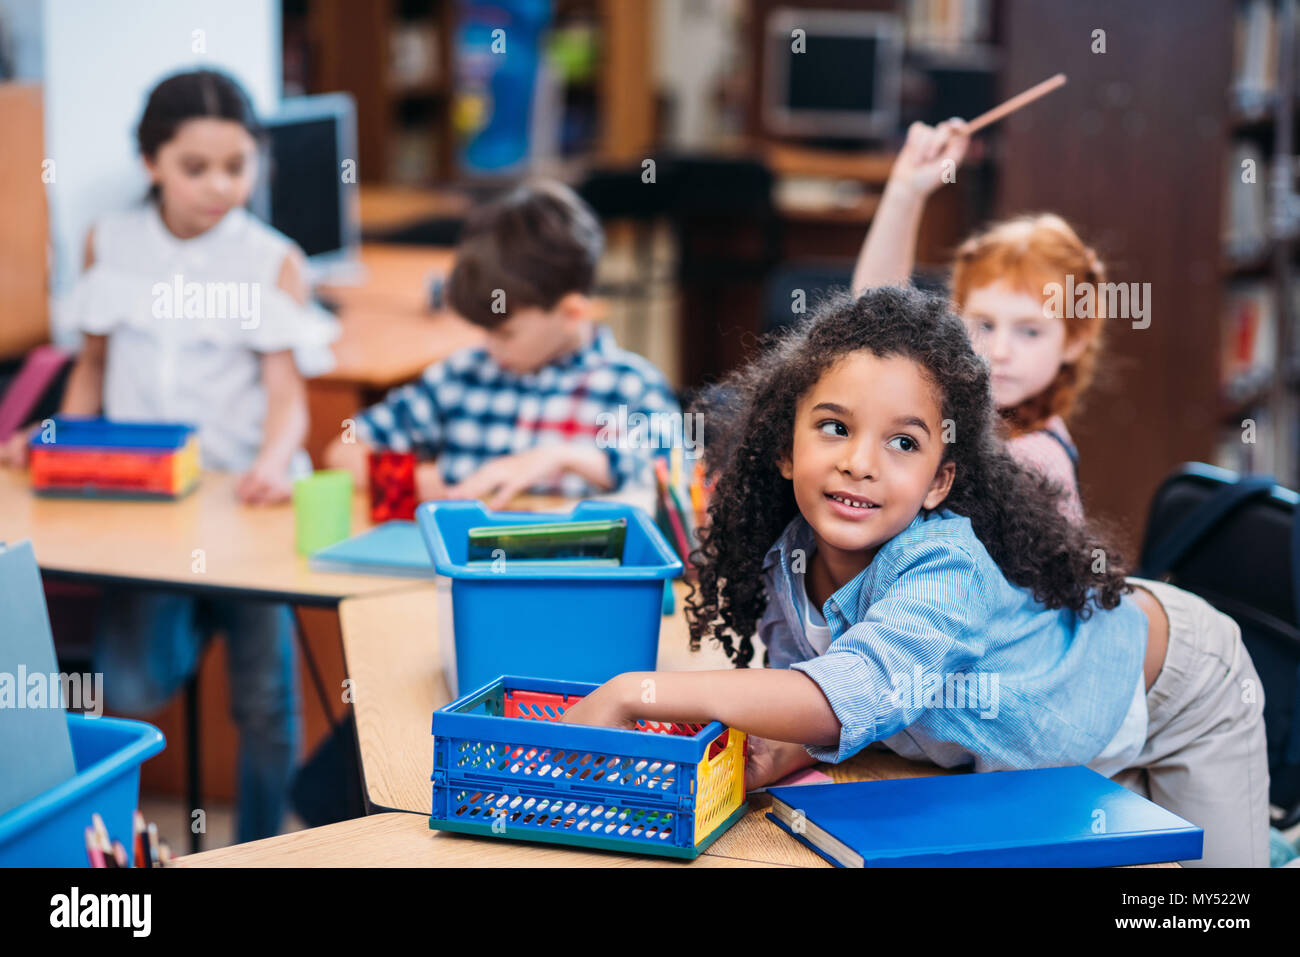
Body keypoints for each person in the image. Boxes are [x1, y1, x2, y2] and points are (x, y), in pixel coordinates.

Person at [560, 286, 1269, 867]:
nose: (860, 462)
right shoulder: (785, 556)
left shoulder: (945, 567)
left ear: (939, 480)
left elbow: (849, 692)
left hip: (1179, 687)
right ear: (784, 447)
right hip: (1053, 734)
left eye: (903, 442)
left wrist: (636, 690)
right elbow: (815, 697)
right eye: (834, 427)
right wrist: (781, 746)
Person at [0, 69, 337, 842]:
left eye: (237, 165)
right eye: (196, 168)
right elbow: (90, 367)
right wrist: (54, 437)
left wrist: (273, 459)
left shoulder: (271, 258)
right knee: (130, 681)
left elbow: (286, 394)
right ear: (151, 162)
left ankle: (257, 847)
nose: (220, 186)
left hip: (246, 505)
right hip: (144, 506)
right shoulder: (110, 242)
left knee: (264, 703)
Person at [324, 180, 679, 508]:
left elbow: (674, 487)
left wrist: (562, 457)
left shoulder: (631, 387)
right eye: (486, 331)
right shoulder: (460, 378)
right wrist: (412, 481)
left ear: (571, 312)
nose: (492, 348)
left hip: (571, 574)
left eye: (506, 334)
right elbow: (344, 450)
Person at [853, 119, 1109, 518]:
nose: (1000, 351)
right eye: (985, 325)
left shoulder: (1036, 460)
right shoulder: (959, 407)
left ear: (1075, 340)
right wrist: (905, 191)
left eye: (1030, 331)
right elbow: (876, 318)